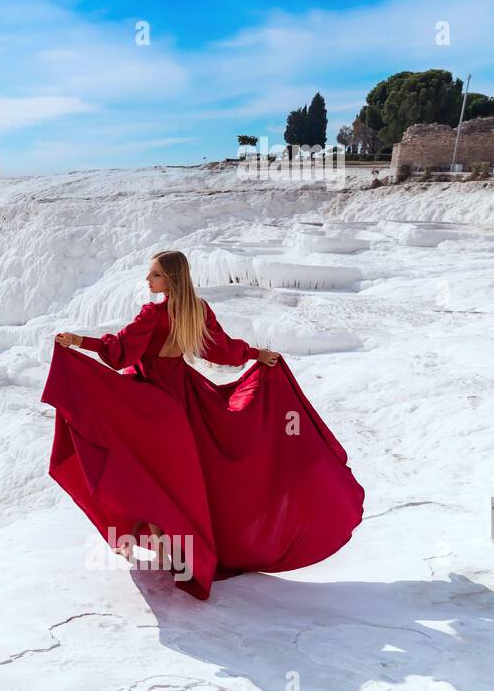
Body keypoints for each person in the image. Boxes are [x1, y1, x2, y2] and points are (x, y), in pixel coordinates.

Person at [41, 249, 365, 600]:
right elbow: (221, 350)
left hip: (150, 399)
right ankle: (172, 552)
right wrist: (257, 354)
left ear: (172, 280)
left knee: (138, 471)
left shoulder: (154, 313)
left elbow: (120, 352)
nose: (148, 281)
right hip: (185, 398)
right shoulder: (198, 311)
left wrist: (78, 342)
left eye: (155, 276)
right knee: (181, 479)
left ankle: (161, 551)